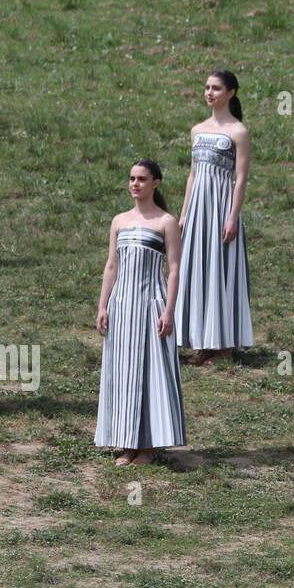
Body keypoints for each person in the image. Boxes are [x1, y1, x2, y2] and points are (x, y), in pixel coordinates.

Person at [95, 160, 186, 466]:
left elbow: (174, 270)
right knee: (123, 371)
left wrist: (169, 310)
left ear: (155, 183)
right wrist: (103, 305)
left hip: (151, 304)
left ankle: (147, 446)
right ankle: (126, 443)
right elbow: (112, 265)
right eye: (132, 179)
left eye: (142, 179)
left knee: (150, 371)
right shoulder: (119, 220)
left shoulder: (166, 222)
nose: (135, 184)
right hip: (122, 305)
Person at [176, 69, 252, 366]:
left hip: (221, 206)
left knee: (221, 268)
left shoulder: (238, 132)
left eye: (216, 88)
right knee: (198, 268)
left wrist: (232, 216)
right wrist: (183, 216)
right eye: (207, 87)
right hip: (197, 209)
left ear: (231, 92)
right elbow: (192, 174)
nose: (210, 93)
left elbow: (242, 178)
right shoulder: (197, 129)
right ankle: (201, 341)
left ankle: (223, 345)